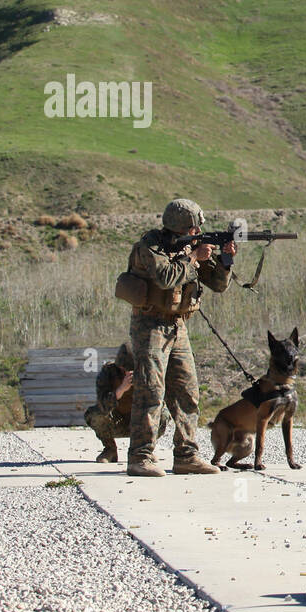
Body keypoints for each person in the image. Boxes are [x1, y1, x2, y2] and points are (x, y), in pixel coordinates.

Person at [123, 199, 235, 477]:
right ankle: (140, 457)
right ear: (181, 225)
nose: (198, 230)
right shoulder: (151, 246)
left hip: (177, 325)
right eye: (194, 226)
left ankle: (186, 455)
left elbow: (218, 285)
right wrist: (193, 257)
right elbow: (164, 278)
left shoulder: (190, 247)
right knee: (151, 391)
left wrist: (225, 259)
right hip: (149, 325)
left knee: (187, 392)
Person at [83, 342, 170, 463]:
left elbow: (158, 401)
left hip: (140, 422)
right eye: (124, 369)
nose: (127, 372)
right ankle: (110, 450)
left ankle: (145, 450)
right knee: (94, 414)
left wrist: (142, 385)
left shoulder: (149, 372)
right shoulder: (108, 373)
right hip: (116, 422)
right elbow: (102, 405)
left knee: (163, 414)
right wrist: (121, 389)